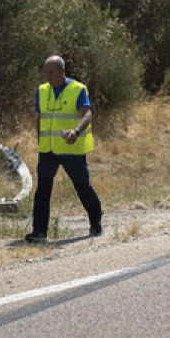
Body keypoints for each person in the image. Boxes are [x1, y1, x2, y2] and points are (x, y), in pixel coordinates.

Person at [27, 55, 103, 243]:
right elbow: (39, 118)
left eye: (51, 72)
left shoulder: (78, 89)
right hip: (48, 150)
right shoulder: (42, 91)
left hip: (71, 149)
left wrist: (76, 131)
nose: (48, 76)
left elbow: (87, 114)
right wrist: (40, 142)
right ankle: (39, 232)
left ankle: (96, 219)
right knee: (43, 190)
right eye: (45, 72)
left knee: (82, 187)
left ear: (62, 71)